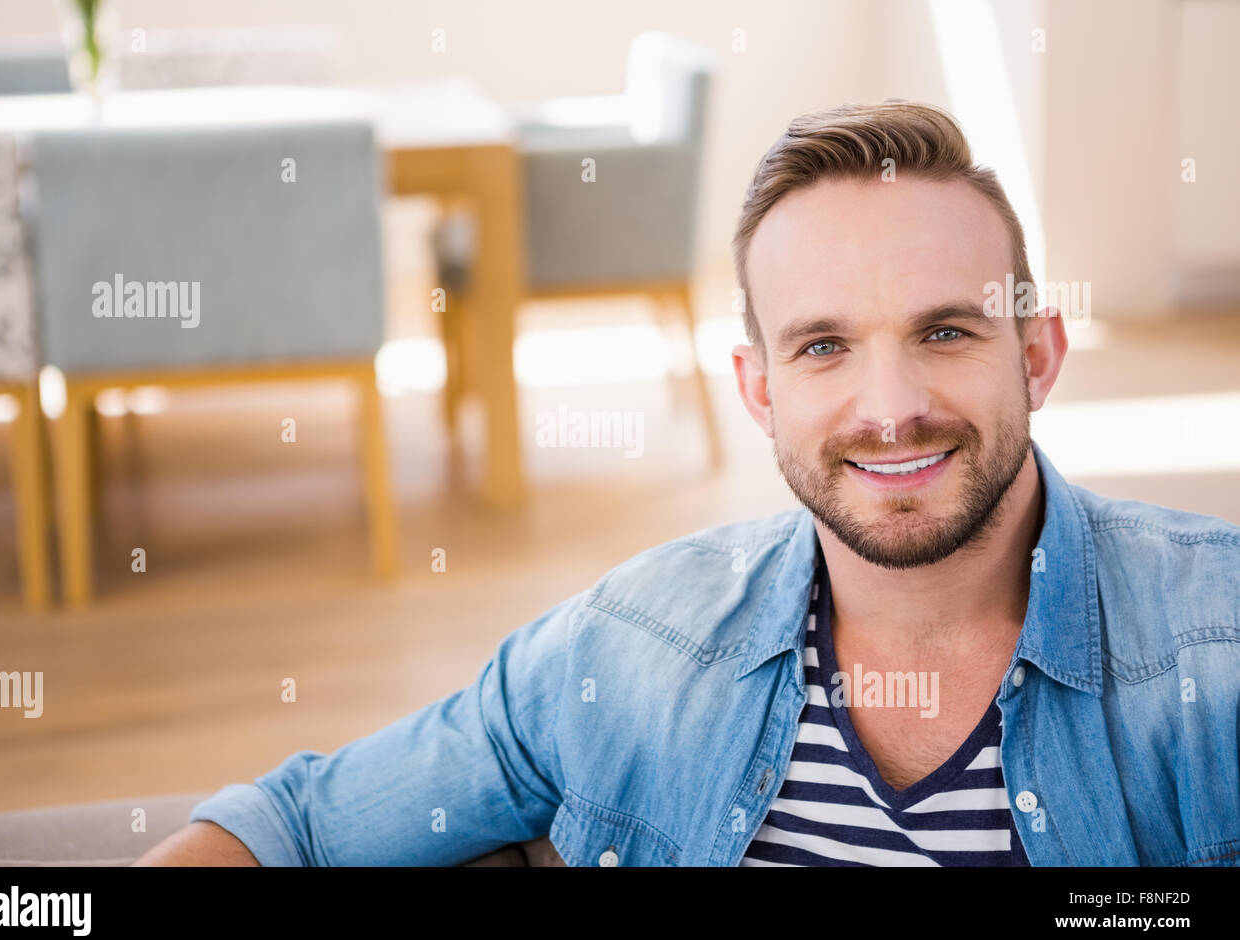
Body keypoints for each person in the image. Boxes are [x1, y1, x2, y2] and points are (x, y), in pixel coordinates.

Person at [135, 101, 1240, 867]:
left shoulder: (1215, 654)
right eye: (822, 347)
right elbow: (294, 828)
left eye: (944, 330)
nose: (889, 404)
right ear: (756, 391)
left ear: (1037, 355)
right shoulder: (629, 643)